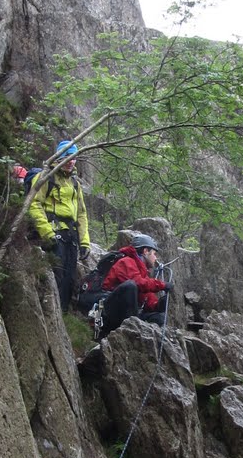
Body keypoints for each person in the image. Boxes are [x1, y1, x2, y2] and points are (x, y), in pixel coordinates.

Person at [28, 141, 91, 311]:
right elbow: (34, 204)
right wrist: (47, 233)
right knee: (56, 275)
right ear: (59, 157)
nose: (71, 161)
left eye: (74, 158)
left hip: (71, 236)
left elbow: (81, 214)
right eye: (68, 157)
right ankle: (50, 314)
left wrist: (84, 242)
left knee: (69, 280)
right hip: (54, 233)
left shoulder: (75, 183)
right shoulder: (46, 177)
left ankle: (62, 317)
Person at [99, 232, 168, 337]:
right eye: (154, 253)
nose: (156, 258)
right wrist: (161, 285)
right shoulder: (126, 262)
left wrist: (157, 305)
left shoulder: (141, 270)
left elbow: (145, 295)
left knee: (160, 317)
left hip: (127, 314)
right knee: (130, 286)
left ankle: (136, 332)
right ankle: (130, 329)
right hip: (110, 312)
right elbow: (138, 283)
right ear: (145, 251)